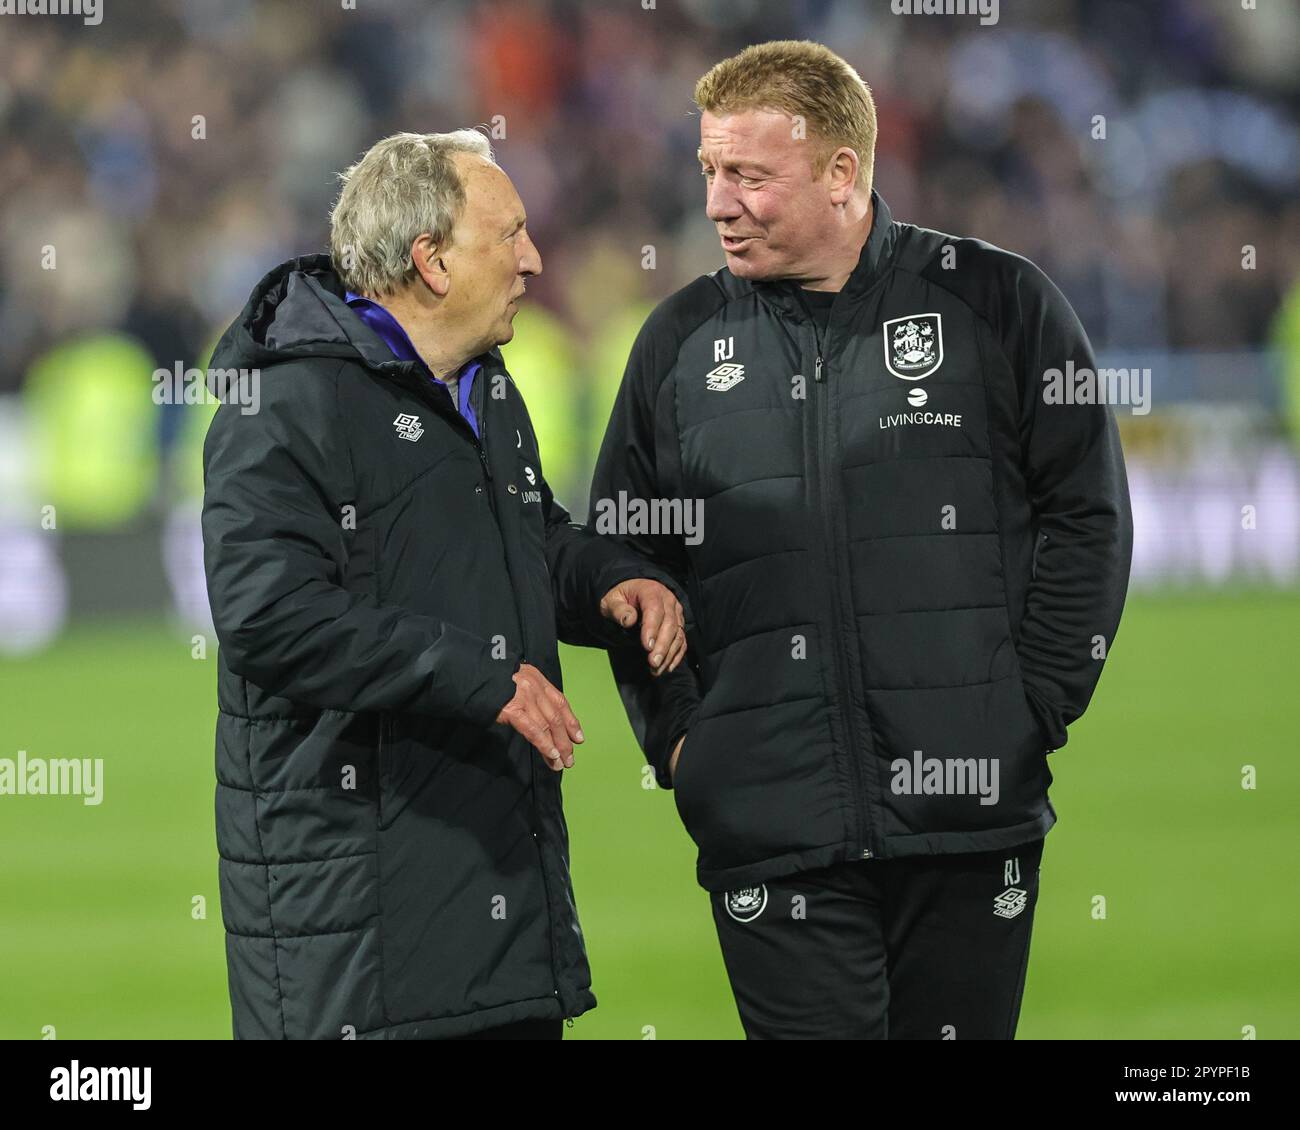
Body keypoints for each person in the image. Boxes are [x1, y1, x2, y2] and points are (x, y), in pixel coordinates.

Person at [591, 41, 1133, 1039]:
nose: (716, 202)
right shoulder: (676, 344)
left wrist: (1030, 707)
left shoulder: (995, 305)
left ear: (841, 173)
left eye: (747, 175)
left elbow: (1086, 515)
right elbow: (623, 552)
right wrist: (683, 742)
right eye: (709, 171)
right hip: (770, 826)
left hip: (965, 813)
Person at [202, 130, 686, 1040]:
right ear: (429, 260)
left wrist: (614, 580)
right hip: (355, 935)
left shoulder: (485, 388)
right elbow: (270, 616)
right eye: (510, 236)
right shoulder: (287, 402)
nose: (536, 261)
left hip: (496, 893)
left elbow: (529, 539)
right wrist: (485, 680)